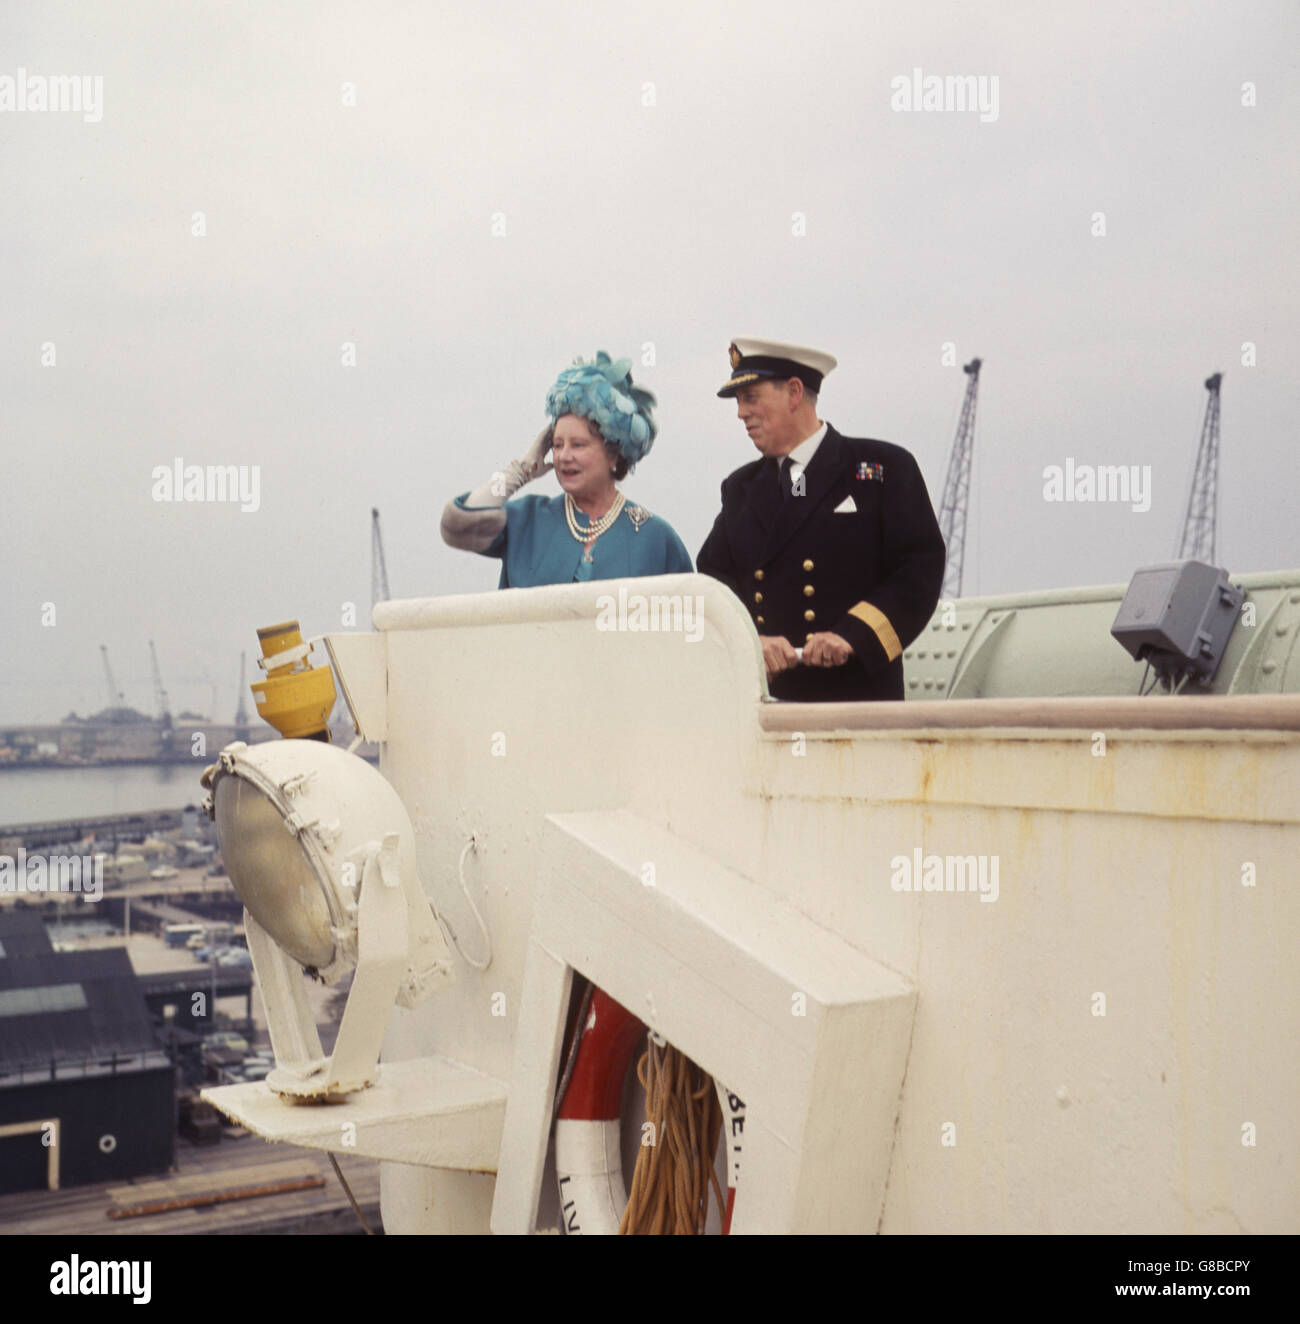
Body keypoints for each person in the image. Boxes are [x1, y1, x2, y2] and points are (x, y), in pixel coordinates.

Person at [698, 337, 945, 701]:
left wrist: (853, 635)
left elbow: (918, 570)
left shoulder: (880, 470)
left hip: (857, 702)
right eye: (738, 401)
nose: (740, 413)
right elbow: (714, 582)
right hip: (768, 705)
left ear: (794, 392)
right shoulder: (740, 488)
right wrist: (752, 639)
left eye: (751, 397)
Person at [441, 352, 692, 586]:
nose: (563, 456)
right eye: (557, 445)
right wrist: (519, 472)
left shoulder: (655, 538)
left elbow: (690, 620)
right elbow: (460, 527)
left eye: (578, 445)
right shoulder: (529, 520)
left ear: (614, 454)